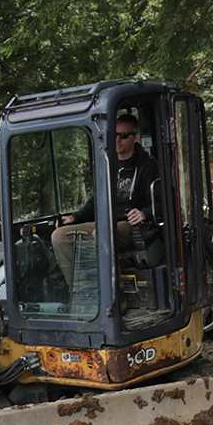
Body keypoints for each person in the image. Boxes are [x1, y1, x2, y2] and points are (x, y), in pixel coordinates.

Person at [50, 112, 161, 291]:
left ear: (136, 137)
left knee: (100, 235)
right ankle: (82, 291)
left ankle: (113, 294)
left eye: (124, 136)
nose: (118, 140)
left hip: (130, 225)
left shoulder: (148, 166)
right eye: (114, 135)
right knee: (59, 236)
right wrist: (76, 217)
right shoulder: (108, 163)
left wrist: (144, 213)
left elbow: (162, 201)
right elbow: (97, 198)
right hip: (104, 222)